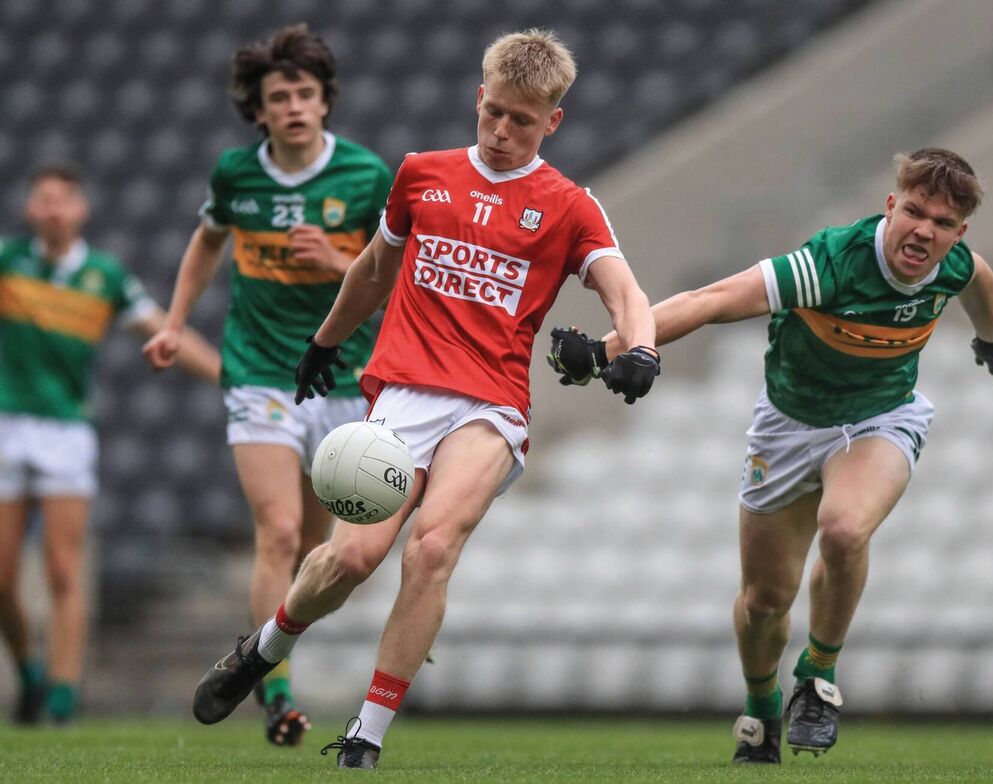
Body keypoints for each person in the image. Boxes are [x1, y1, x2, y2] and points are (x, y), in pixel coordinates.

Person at [188, 29, 660, 769]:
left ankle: (365, 738)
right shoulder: (421, 175)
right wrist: (325, 342)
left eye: (523, 121)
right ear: (479, 99)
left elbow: (625, 291)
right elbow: (375, 270)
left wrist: (641, 349)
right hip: (402, 392)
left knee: (432, 549)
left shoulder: (569, 207)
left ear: (553, 122)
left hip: (490, 406)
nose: (503, 133)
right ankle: (267, 645)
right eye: (494, 114)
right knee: (350, 561)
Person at [547, 148, 993, 763]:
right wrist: (613, 351)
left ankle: (818, 681)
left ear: (959, 232)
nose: (925, 230)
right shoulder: (829, 265)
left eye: (944, 223)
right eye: (916, 212)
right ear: (891, 205)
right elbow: (711, 298)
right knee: (764, 603)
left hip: (881, 417)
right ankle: (762, 707)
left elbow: (979, 280)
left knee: (844, 530)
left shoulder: (953, 265)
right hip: (789, 428)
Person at [142, 24, 392, 746]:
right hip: (257, 372)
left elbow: (391, 273)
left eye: (305, 94)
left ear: (325, 103)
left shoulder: (366, 176)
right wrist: (174, 320)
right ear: (258, 110)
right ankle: (274, 693)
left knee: (322, 552)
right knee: (278, 531)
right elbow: (207, 239)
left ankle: (274, 648)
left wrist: (336, 258)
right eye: (279, 96)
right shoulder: (235, 174)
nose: (292, 106)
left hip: (341, 377)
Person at [0, 164, 220, 724]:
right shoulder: (8, 263)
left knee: (62, 569)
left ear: (81, 210)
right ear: (31, 210)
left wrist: (226, 374)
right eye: (43, 199)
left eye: (63, 199)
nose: (53, 209)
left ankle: (64, 693)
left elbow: (161, 330)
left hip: (66, 431)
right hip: (6, 424)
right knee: (2, 576)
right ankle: (27, 664)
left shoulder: (104, 275)